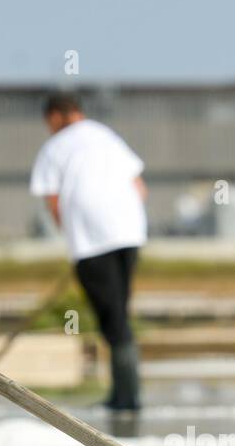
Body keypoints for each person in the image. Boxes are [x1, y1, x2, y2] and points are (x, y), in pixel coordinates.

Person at [30, 93, 147, 412]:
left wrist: (74, 241)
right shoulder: (106, 135)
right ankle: (124, 393)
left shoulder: (54, 147)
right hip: (129, 232)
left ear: (55, 117)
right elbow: (140, 188)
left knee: (113, 317)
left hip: (91, 241)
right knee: (120, 310)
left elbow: (52, 201)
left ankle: (128, 399)